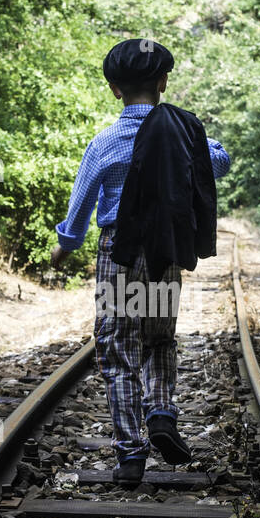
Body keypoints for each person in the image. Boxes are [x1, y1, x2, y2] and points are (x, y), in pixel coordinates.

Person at [51, 39, 231, 485]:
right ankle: (162, 413)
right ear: (163, 83)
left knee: (118, 350)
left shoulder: (106, 142)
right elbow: (220, 161)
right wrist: (194, 139)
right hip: (165, 251)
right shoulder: (183, 137)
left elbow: (81, 206)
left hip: (119, 253)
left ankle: (131, 455)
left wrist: (64, 246)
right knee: (158, 338)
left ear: (114, 90)